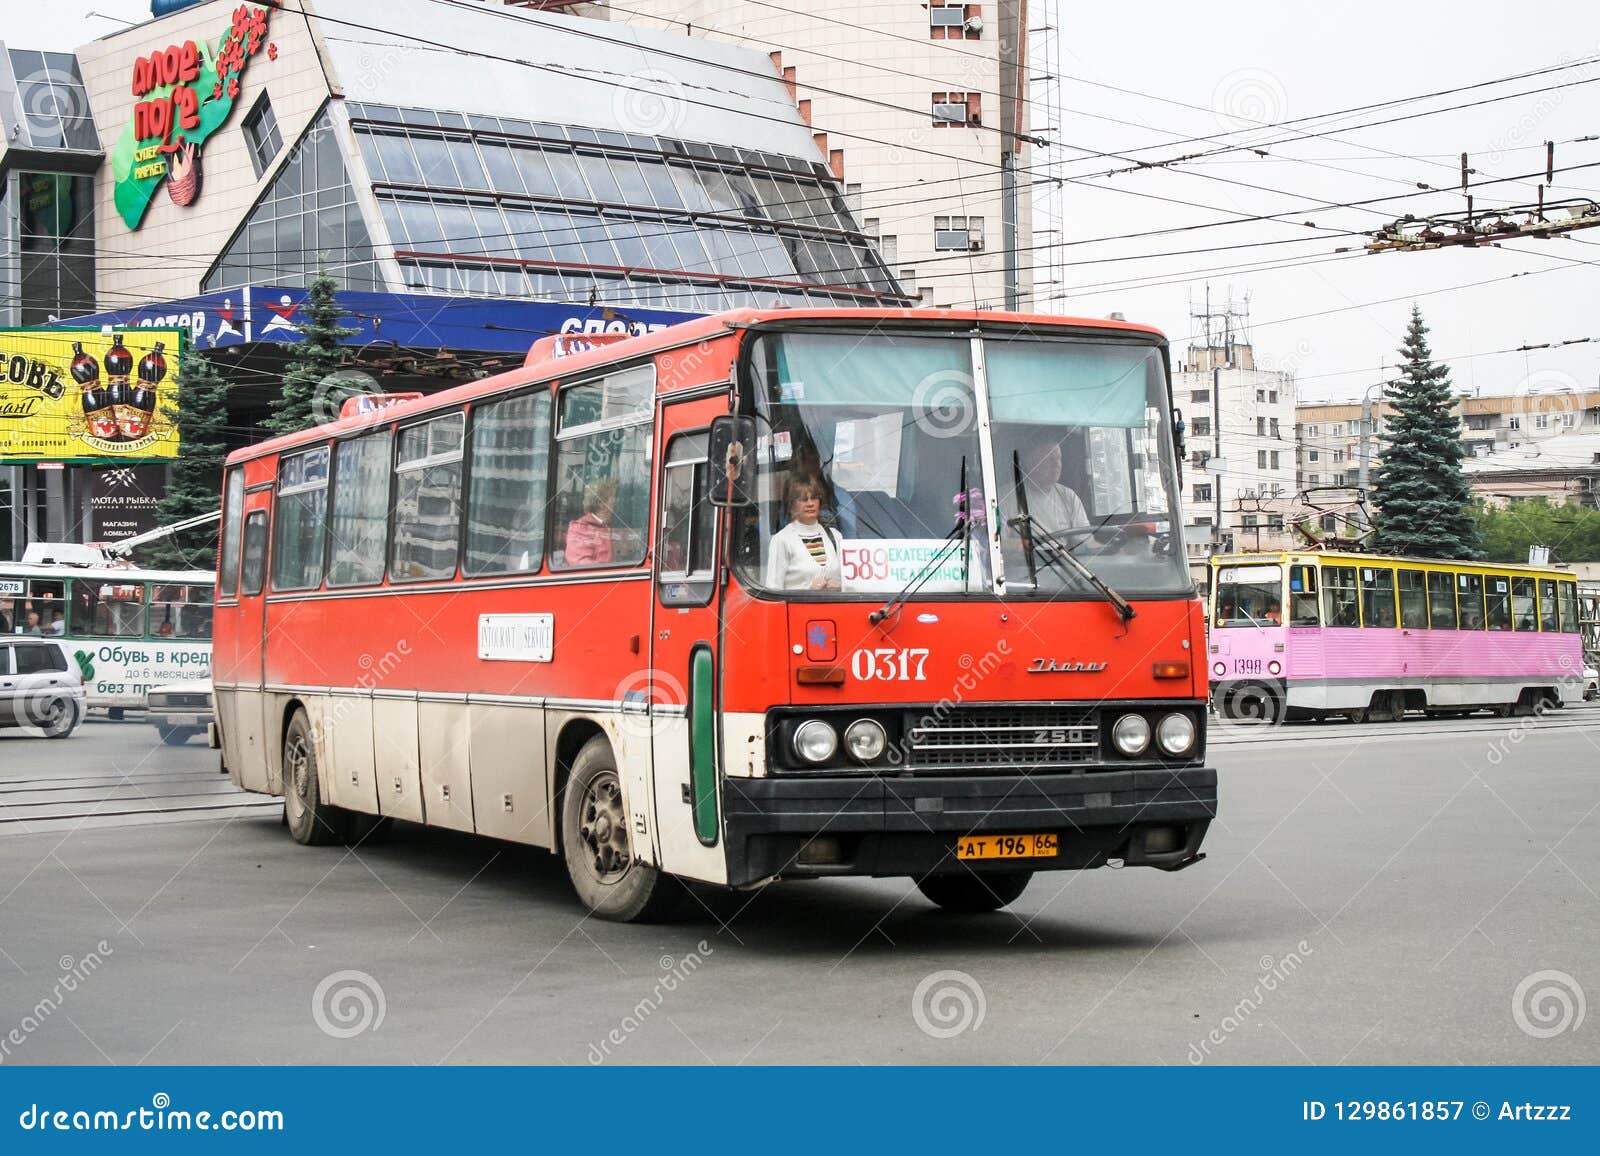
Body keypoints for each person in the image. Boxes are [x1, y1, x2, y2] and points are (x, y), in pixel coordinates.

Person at [765, 476, 841, 591]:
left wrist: (840, 586)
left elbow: (849, 580)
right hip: (798, 603)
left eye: (814, 498)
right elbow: (773, 588)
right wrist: (808, 589)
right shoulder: (781, 539)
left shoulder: (835, 536)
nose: (810, 504)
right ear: (791, 505)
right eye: (803, 499)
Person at [1005, 431, 1088, 534]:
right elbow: (999, 540)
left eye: (1058, 459)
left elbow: (1085, 540)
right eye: (1050, 459)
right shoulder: (1006, 497)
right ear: (1030, 463)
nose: (1057, 464)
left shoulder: (1068, 496)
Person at [564, 479, 618, 567]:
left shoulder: (609, 526)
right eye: (614, 498)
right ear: (601, 503)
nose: (616, 502)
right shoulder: (579, 528)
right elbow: (580, 563)